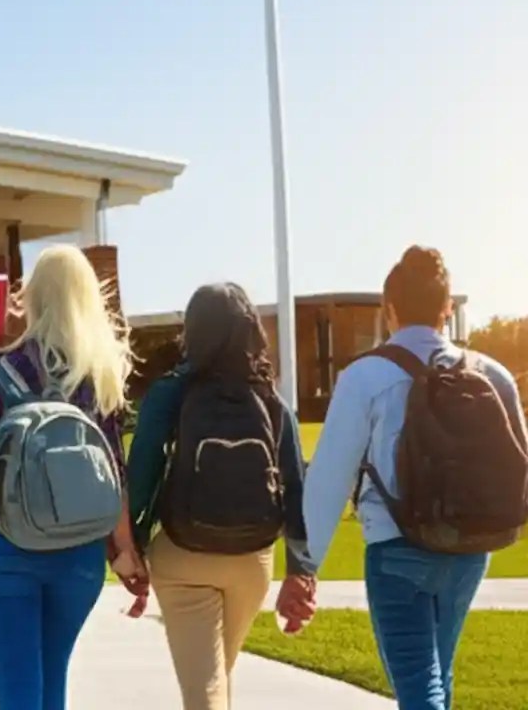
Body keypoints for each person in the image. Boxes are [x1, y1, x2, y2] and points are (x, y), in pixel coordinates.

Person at [303, 247, 528, 710]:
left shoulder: (364, 376)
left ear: (390, 309)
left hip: (395, 547)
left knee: (419, 688)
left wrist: (304, 568)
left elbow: (329, 478)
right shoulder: (494, 375)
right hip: (470, 548)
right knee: (436, 676)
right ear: (448, 308)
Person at [0, 245, 143, 710]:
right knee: (51, 686)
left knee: (16, 690)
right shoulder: (97, 376)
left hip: (2, 548)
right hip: (78, 552)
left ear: (30, 298)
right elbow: (113, 469)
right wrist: (125, 550)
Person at [126, 283, 316, 710]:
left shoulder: (169, 392)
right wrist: (301, 569)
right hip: (252, 562)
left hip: (183, 557)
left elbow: (141, 477)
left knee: (205, 692)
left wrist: (132, 549)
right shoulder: (270, 398)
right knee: (215, 680)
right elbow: (296, 484)